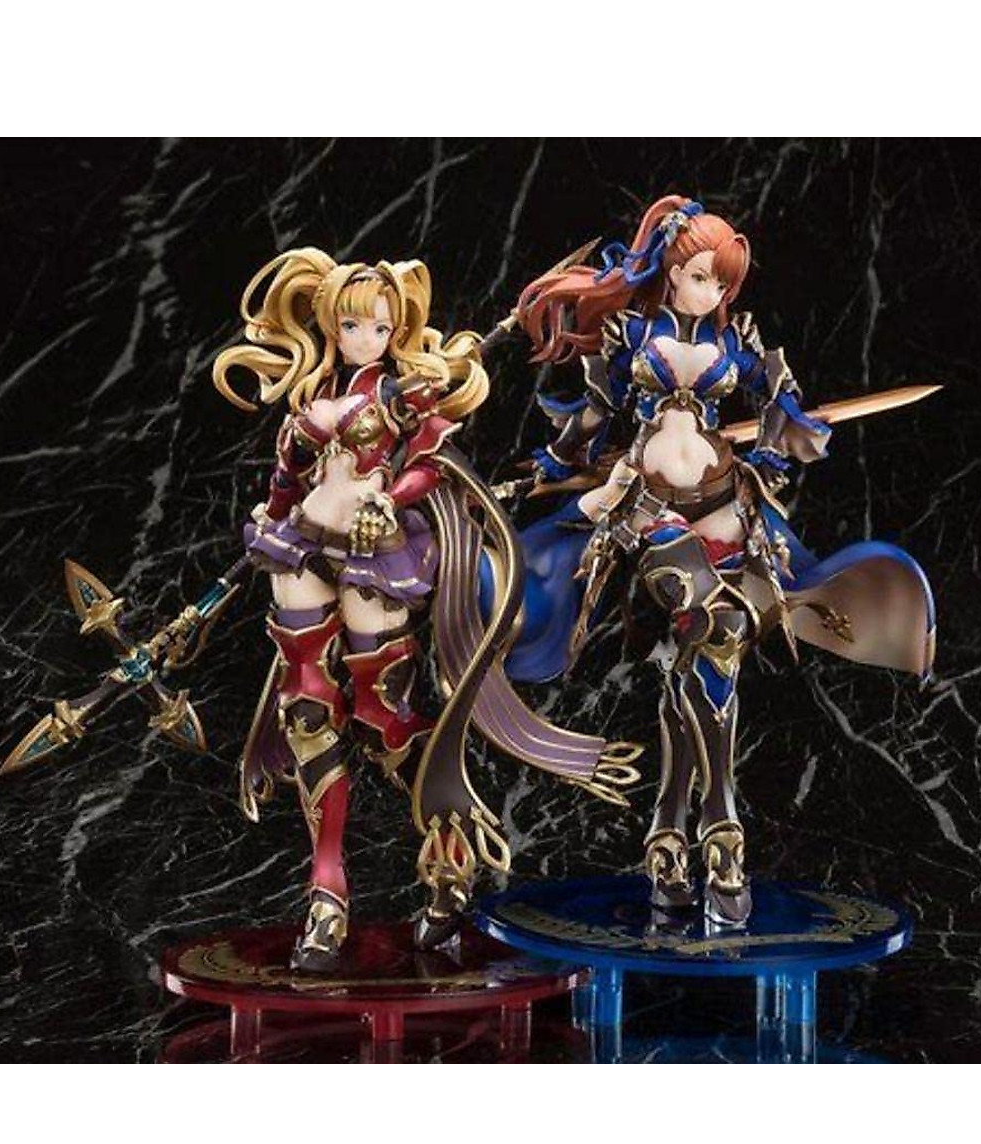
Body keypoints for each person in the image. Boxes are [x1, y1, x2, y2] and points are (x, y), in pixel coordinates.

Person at [504, 196, 935, 926]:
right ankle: (722, 828)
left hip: (725, 500)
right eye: (700, 276)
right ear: (671, 271)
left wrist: (776, 444)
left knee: (703, 658)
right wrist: (551, 465)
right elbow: (594, 416)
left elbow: (780, 403)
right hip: (649, 507)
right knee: (715, 624)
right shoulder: (631, 333)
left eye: (722, 282)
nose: (710, 291)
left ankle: (668, 834)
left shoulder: (740, 341)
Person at [213, 249, 638, 970]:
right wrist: (272, 511)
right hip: (303, 542)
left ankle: (448, 861)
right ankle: (327, 891)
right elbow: (288, 473)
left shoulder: (401, 394)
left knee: (384, 719)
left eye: (380, 327)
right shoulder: (313, 393)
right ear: (332, 325)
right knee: (306, 714)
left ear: (395, 331)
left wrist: (391, 497)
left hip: (374, 551)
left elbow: (426, 466)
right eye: (354, 325)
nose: (366, 338)